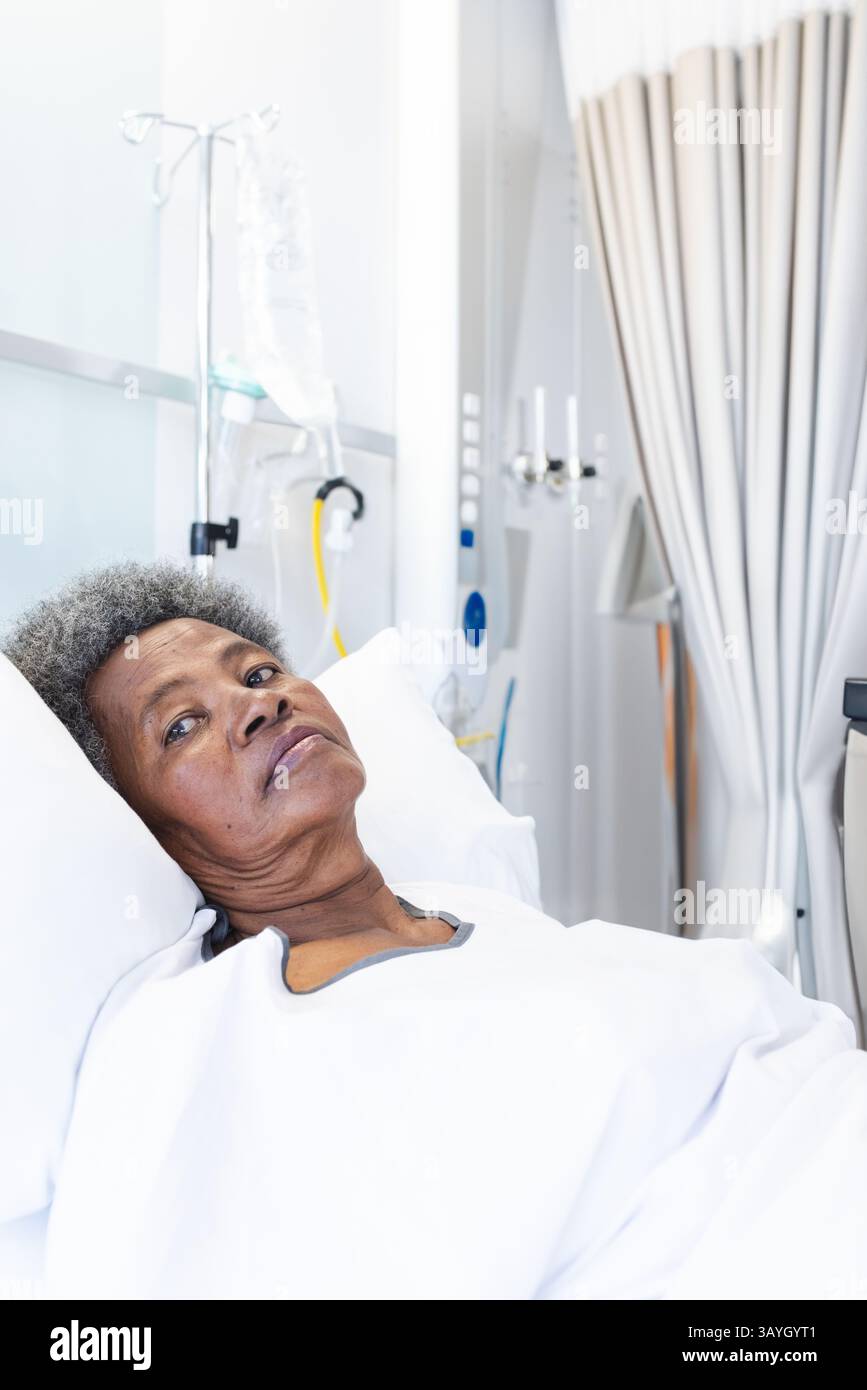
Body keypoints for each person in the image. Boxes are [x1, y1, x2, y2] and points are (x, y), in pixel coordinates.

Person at [3, 560, 858, 1300]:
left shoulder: (474, 910)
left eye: (259, 674)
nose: (258, 707)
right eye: (181, 726)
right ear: (143, 828)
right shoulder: (207, 1033)